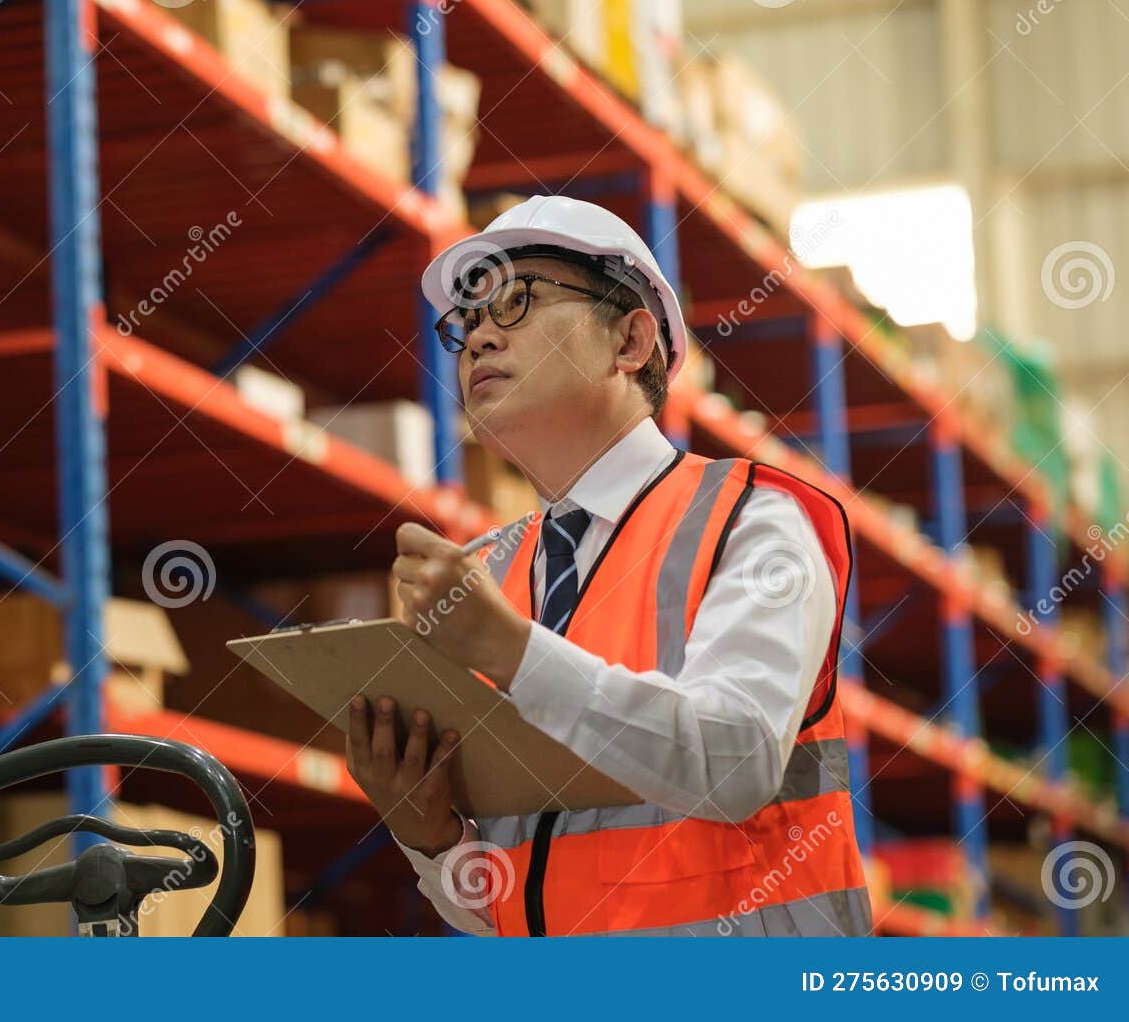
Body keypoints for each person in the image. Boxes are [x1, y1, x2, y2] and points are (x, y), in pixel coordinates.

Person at [345, 195, 872, 936]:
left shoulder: (751, 521)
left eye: (518, 302)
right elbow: (517, 904)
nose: (478, 338)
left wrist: (512, 653)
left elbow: (738, 759)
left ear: (630, 341)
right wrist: (430, 836)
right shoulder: (489, 574)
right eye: (466, 323)